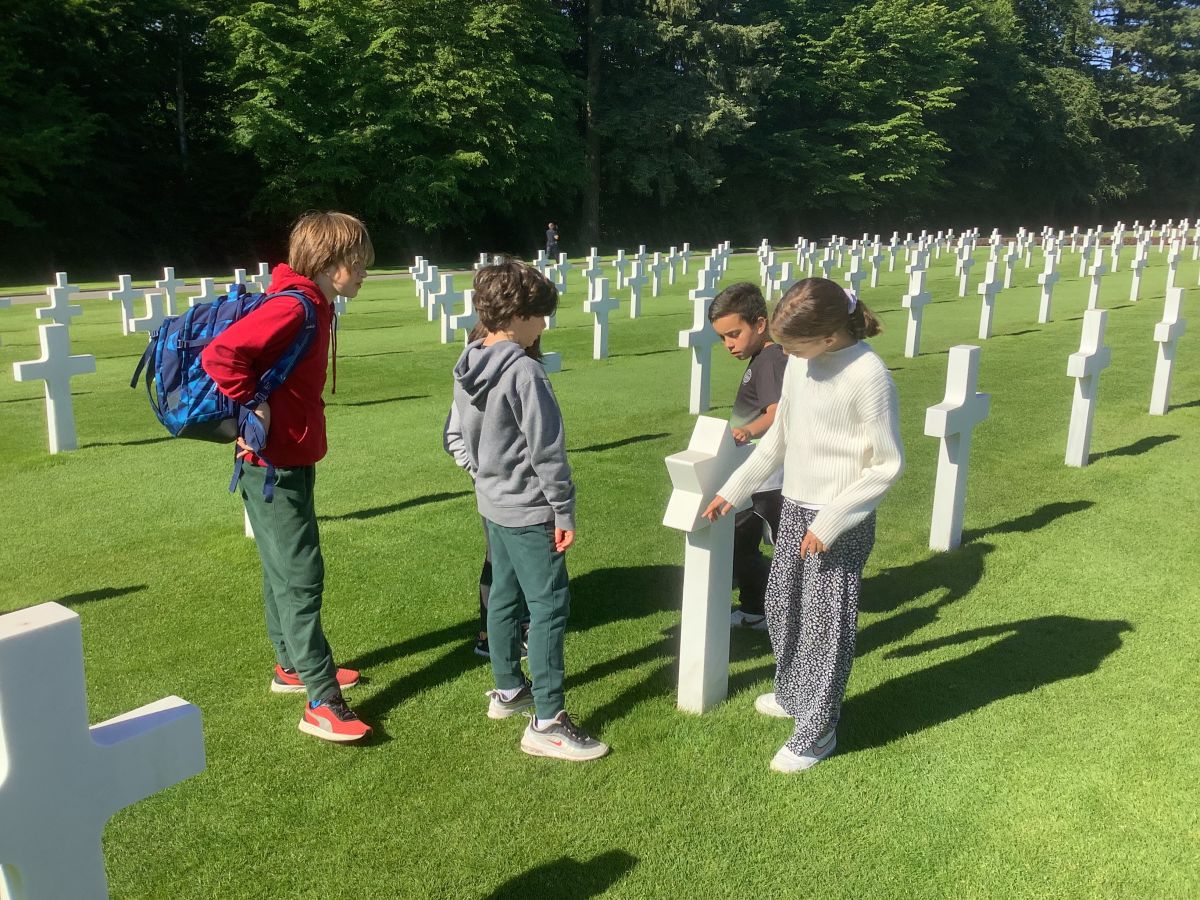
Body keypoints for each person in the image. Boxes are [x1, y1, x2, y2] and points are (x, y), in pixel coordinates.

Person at [702, 278, 903, 773]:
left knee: (825, 624)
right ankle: (793, 693)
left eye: (793, 344)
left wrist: (832, 521)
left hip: (841, 516)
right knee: (781, 602)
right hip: (795, 505)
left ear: (830, 336)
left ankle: (818, 728)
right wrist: (734, 489)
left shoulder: (867, 375)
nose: (784, 352)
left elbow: (885, 465)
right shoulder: (798, 364)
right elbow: (778, 442)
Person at [202, 211, 374, 744]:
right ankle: (321, 700)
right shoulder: (295, 306)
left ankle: (290, 666)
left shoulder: (312, 304)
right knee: (301, 573)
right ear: (330, 263)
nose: (365, 272)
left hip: (288, 459)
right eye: (359, 263)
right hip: (273, 464)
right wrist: (253, 404)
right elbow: (222, 354)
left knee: (282, 566)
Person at [451, 260, 608, 761]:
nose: (544, 326)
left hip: (492, 503)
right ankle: (547, 721)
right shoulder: (523, 371)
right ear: (518, 315)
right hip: (528, 509)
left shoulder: (468, 359)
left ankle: (507, 689)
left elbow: (456, 437)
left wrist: (484, 477)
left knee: (503, 594)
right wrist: (563, 510)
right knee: (548, 606)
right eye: (540, 316)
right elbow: (547, 452)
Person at [444, 321, 531, 659]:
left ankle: (517, 624)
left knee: (513, 555)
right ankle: (490, 634)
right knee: (500, 557)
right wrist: (478, 471)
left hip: (512, 483)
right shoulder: (470, 382)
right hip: (495, 484)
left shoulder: (521, 371)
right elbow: (452, 436)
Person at [707, 282, 786, 631]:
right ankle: (756, 609)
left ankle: (778, 610)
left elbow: (777, 412)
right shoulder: (762, 357)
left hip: (764, 477)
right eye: (722, 338)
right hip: (753, 473)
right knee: (740, 546)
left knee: (763, 547)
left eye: (734, 334)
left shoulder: (770, 360)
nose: (728, 344)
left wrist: (748, 431)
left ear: (759, 323)